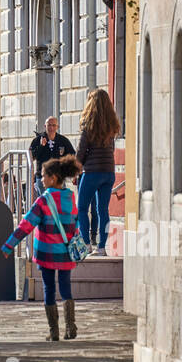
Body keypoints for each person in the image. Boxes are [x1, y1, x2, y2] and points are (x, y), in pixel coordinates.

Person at [1, 156, 83, 340]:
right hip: (66, 252)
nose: (41, 178)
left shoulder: (43, 201)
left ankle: (53, 331)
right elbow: (74, 223)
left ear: (53, 178)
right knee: (65, 287)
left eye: (44, 175)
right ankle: (70, 327)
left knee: (48, 288)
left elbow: (26, 225)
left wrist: (9, 245)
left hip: (47, 252)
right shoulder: (70, 197)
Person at [76, 89, 120, 255]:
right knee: (103, 210)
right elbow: (112, 149)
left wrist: (76, 169)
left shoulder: (89, 125)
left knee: (81, 208)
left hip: (92, 172)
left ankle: (86, 244)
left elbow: (81, 151)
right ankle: (102, 247)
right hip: (108, 172)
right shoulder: (112, 126)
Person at [29, 117, 75, 197]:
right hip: (42, 178)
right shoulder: (37, 140)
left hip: (59, 177)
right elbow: (31, 157)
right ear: (45, 126)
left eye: (54, 125)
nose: (51, 128)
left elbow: (72, 155)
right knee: (46, 202)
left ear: (57, 127)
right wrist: (41, 146)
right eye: (49, 125)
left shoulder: (63, 140)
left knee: (58, 202)